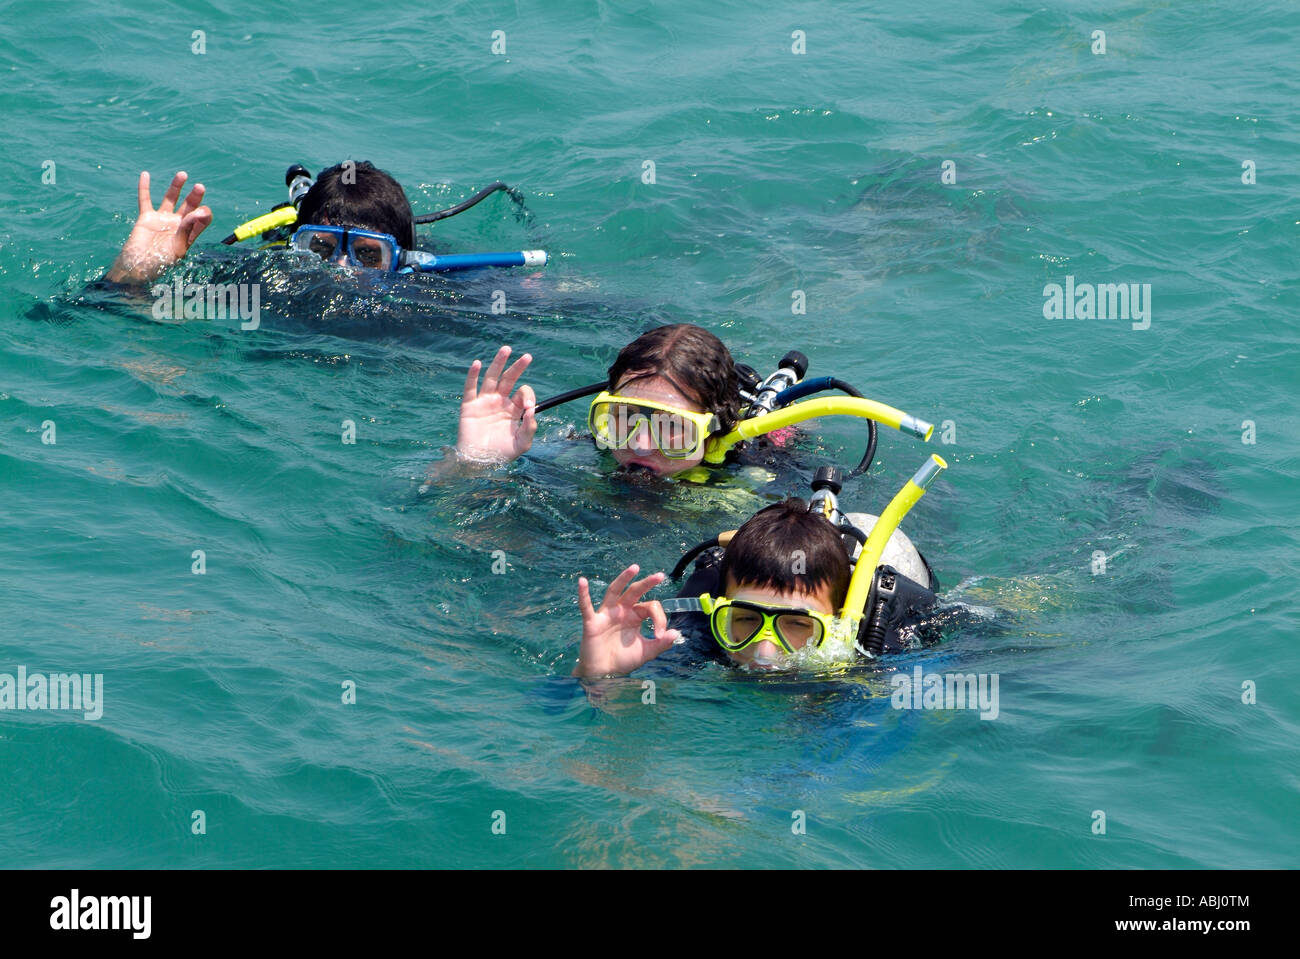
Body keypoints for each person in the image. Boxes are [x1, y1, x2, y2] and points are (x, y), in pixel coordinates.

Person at [573, 498, 943, 678]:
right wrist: (598, 671)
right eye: (745, 620)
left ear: (839, 621)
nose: (763, 651)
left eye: (798, 625)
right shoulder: (698, 635)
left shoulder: (888, 645)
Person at [454, 324, 759, 477]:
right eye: (624, 416)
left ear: (713, 428)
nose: (640, 445)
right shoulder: (578, 456)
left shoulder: (756, 480)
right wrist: (476, 460)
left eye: (671, 425)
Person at [106, 161, 417, 285]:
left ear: (401, 259)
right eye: (321, 248)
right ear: (296, 244)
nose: (341, 268)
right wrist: (135, 273)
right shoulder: (263, 280)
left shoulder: (435, 298)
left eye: (367, 255)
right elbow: (92, 314)